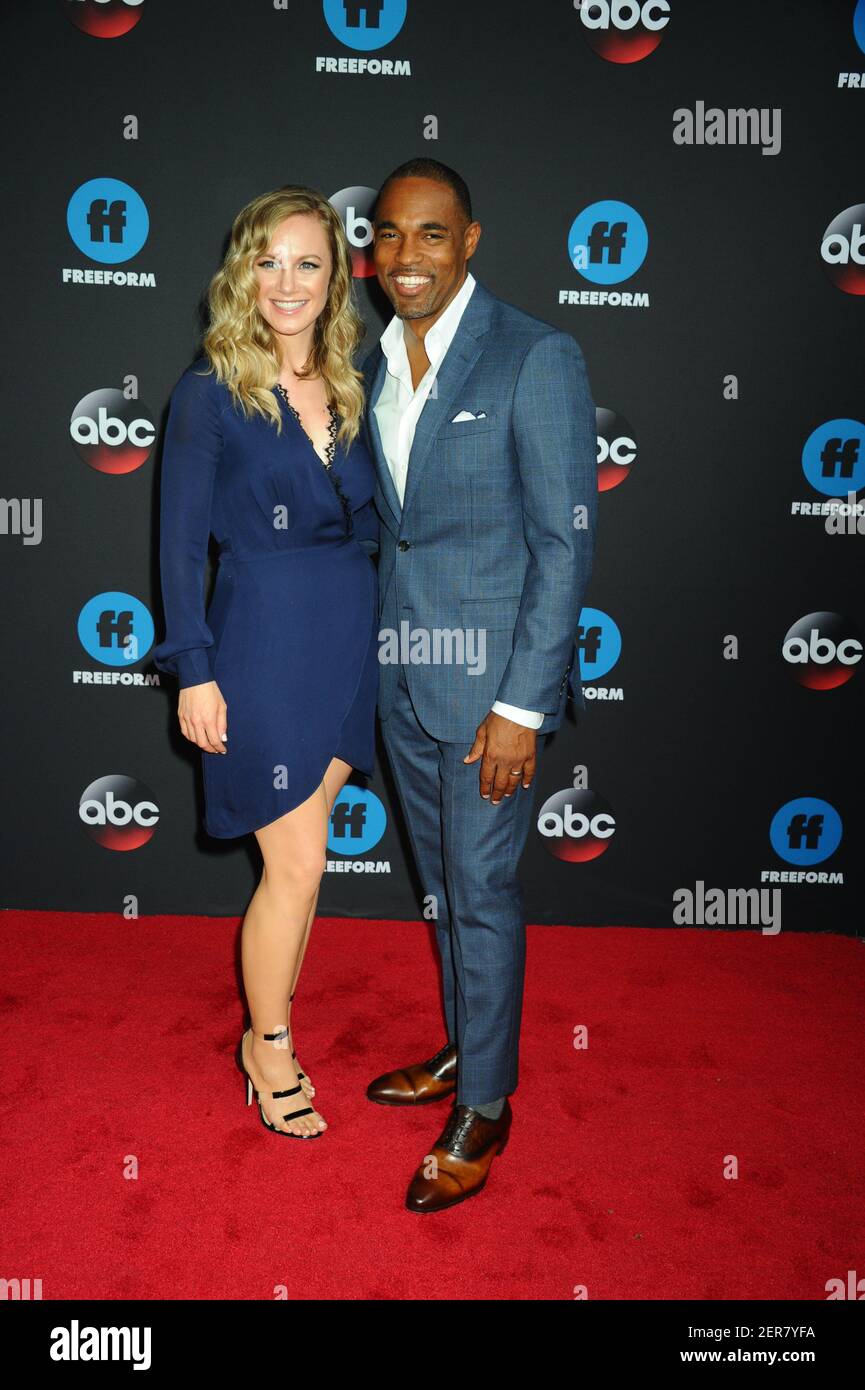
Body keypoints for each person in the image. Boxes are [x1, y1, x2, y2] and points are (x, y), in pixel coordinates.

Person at [361, 158, 598, 1211]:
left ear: (470, 241)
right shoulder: (369, 358)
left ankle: (488, 1106)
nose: (404, 257)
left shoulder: (534, 355)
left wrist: (521, 707)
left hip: (488, 698)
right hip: (404, 682)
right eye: (389, 236)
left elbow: (563, 544)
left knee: (484, 894)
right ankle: (466, 1049)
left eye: (430, 235)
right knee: (446, 890)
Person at [152, 186, 379, 1140]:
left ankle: (271, 1025)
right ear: (242, 271)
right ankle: (269, 1043)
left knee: (307, 861)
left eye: (309, 263)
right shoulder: (209, 392)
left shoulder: (358, 385)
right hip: (260, 639)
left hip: (350, 635)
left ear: (334, 281)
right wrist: (194, 668)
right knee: (295, 862)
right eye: (268, 261)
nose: (287, 282)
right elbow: (176, 546)